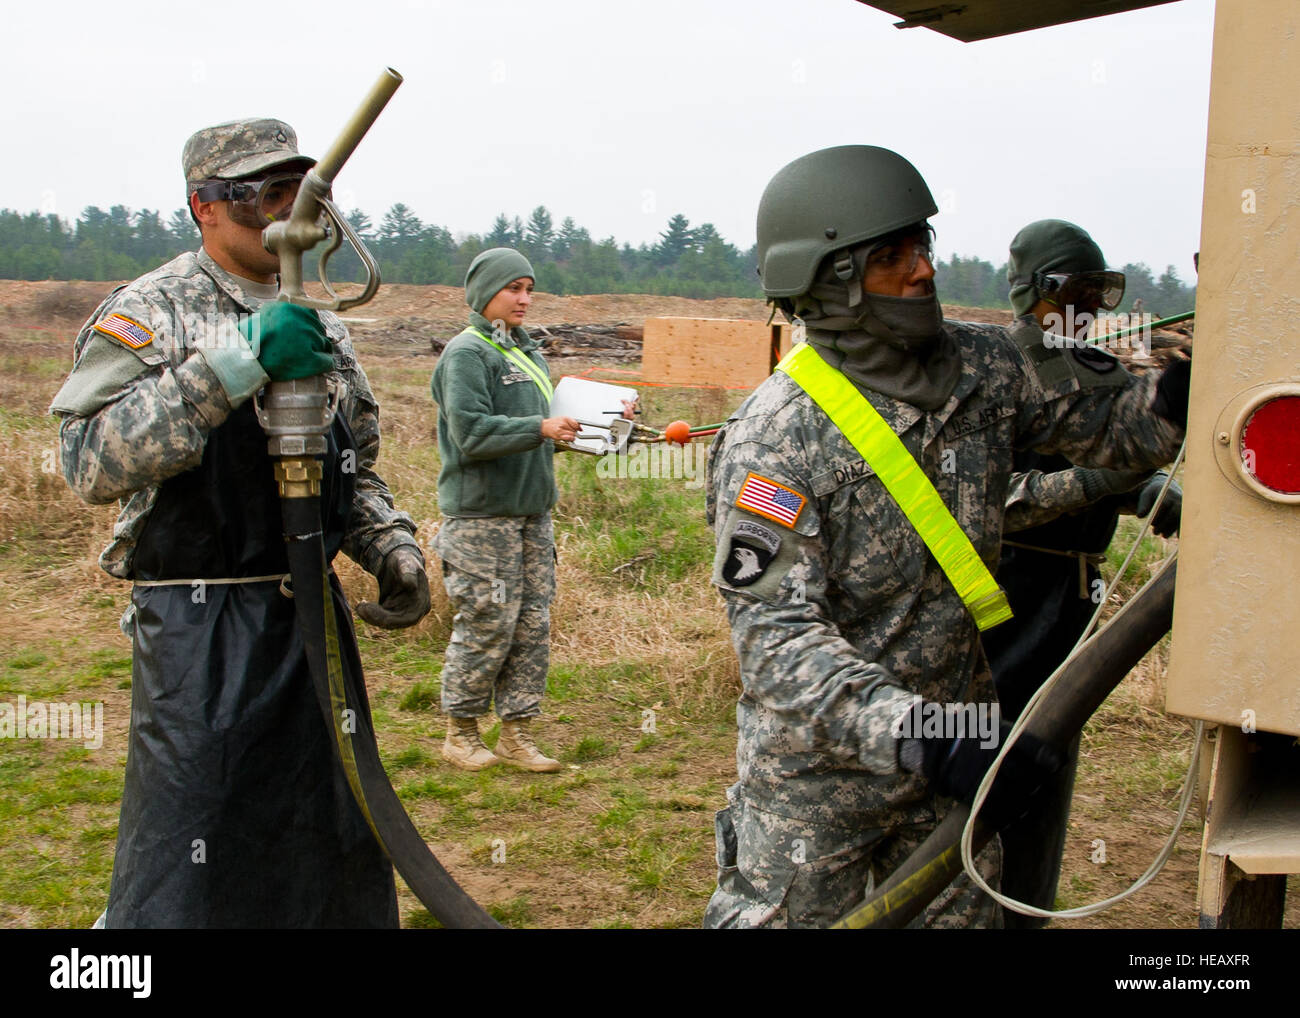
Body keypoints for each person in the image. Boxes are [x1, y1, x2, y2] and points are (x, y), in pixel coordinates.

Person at [701, 145, 1191, 929]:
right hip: (819, 781)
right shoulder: (776, 438)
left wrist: (1178, 395)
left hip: (955, 762)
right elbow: (777, 642)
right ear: (829, 280)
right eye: (891, 257)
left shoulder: (984, 366)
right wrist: (929, 738)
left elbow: (1108, 432)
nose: (924, 270)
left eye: (922, 245)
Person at [50, 118, 430, 928]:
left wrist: (389, 543)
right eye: (263, 196)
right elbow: (87, 459)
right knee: (196, 834)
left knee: (328, 827)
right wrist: (232, 366)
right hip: (201, 630)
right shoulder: (154, 310)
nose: (286, 214)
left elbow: (353, 464)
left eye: (300, 192)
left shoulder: (324, 325)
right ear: (204, 207)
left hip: (311, 621)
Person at [986, 219, 1183, 927]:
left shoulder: (1078, 371)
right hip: (1011, 594)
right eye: (1077, 288)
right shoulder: (1002, 371)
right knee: (999, 754)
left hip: (1069, 594)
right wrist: (1103, 484)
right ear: (1035, 291)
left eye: (1101, 290)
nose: (1092, 305)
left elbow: (1106, 451)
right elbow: (997, 501)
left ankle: (1026, 907)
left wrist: (1144, 491)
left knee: (1049, 753)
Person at [429, 248, 578, 773]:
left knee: (531, 624)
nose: (524, 299)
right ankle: (461, 731)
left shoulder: (525, 351)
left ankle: (517, 732)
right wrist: (539, 429)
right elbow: (469, 434)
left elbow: (540, 430)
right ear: (484, 292)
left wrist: (589, 427)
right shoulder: (467, 354)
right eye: (513, 288)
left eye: (529, 288)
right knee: (489, 621)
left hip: (533, 513)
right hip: (481, 518)